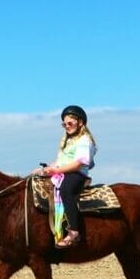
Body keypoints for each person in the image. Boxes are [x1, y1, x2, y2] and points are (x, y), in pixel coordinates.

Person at [36, 105, 96, 248]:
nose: (67, 126)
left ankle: (74, 232)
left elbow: (78, 164)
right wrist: (46, 169)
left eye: (70, 123)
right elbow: (60, 161)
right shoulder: (67, 141)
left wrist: (56, 171)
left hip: (77, 174)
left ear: (80, 122)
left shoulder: (84, 140)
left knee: (65, 190)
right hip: (64, 172)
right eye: (64, 124)